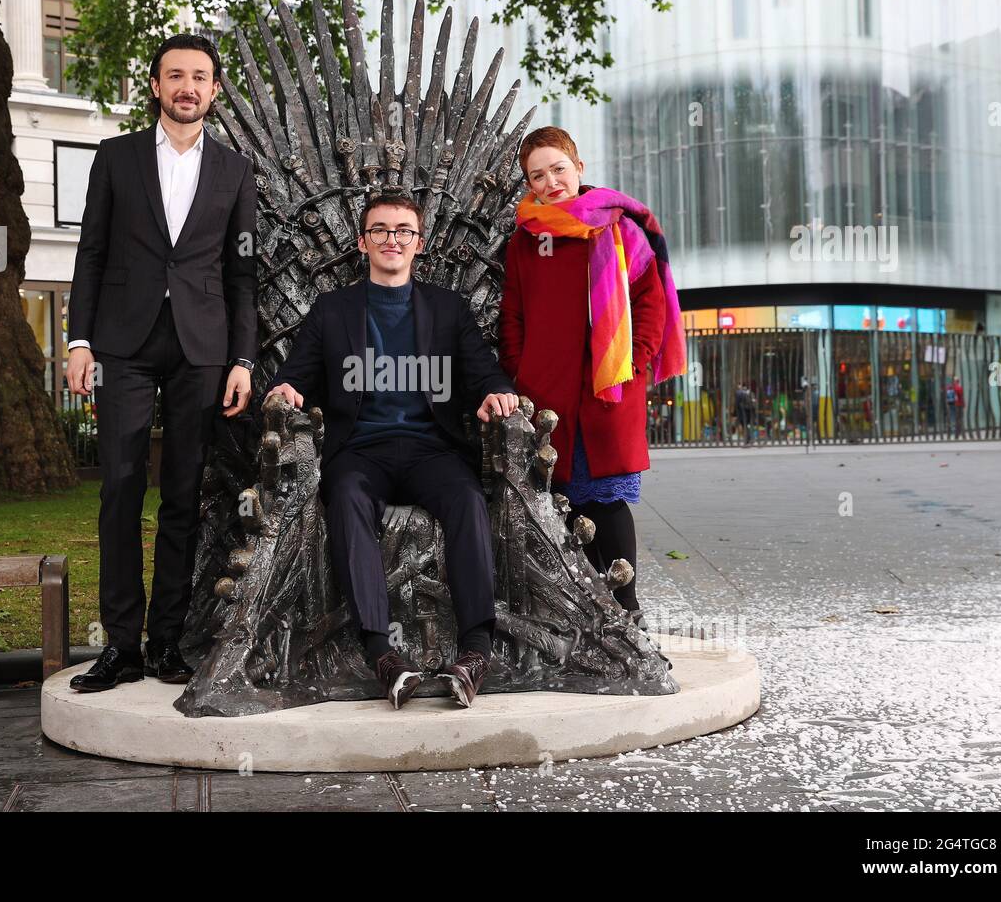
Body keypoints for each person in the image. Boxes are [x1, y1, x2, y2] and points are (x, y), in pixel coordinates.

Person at [265, 193, 518, 710]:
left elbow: (481, 370)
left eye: (403, 230)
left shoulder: (448, 309)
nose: (391, 239)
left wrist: (495, 390)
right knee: (348, 498)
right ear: (362, 242)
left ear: (418, 244)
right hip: (360, 450)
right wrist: (285, 390)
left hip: (432, 449)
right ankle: (383, 655)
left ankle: (474, 652)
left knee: (468, 501)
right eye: (379, 230)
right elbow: (296, 373)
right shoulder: (332, 310)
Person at [64, 34, 257, 692]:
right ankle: (121, 646)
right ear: (154, 86)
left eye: (199, 77)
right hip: (122, 342)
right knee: (119, 489)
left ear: (214, 90)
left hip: (201, 349)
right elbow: (90, 252)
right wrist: (78, 341)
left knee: (183, 496)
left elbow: (242, 274)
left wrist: (242, 358)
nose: (187, 86)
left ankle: (167, 641)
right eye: (175, 75)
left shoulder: (235, 171)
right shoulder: (114, 159)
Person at [499, 126, 687, 631]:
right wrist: (518, 373)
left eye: (558, 168)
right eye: (537, 175)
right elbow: (512, 314)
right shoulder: (525, 239)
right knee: (559, 504)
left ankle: (627, 619)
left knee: (607, 501)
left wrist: (639, 360)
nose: (551, 181)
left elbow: (650, 300)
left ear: (578, 167)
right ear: (529, 184)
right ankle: (579, 620)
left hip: (610, 387)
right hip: (547, 392)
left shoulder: (620, 225)